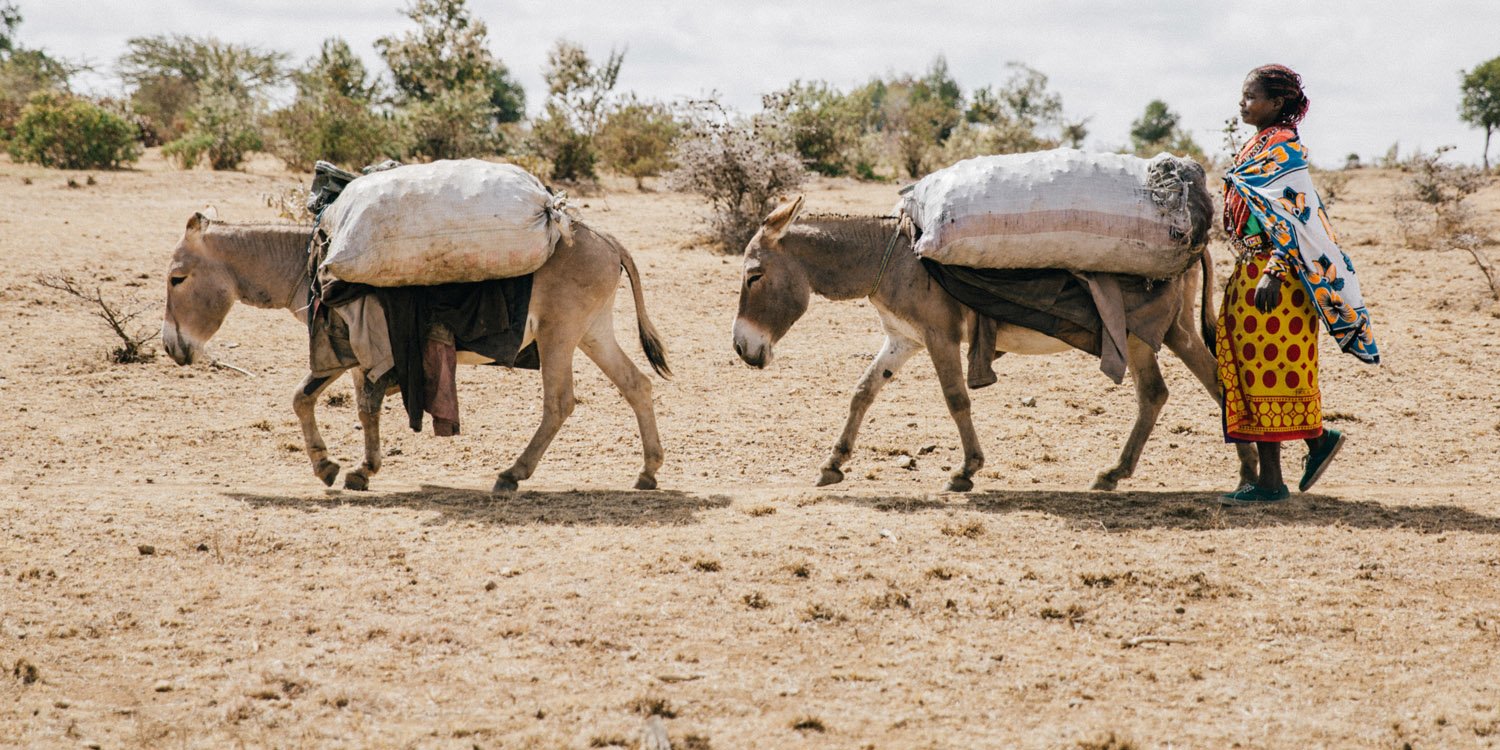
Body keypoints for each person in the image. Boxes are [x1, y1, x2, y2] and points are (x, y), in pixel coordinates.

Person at [1215, 64, 1380, 505]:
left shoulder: (1284, 149)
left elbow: (1297, 222)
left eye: (1250, 96)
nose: (1242, 103)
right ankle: (1314, 442)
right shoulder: (1257, 144)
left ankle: (1272, 479)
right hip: (1250, 273)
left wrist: (1275, 270)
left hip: (1277, 281)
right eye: (1243, 95)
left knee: (1269, 373)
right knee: (1255, 374)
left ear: (1278, 103)